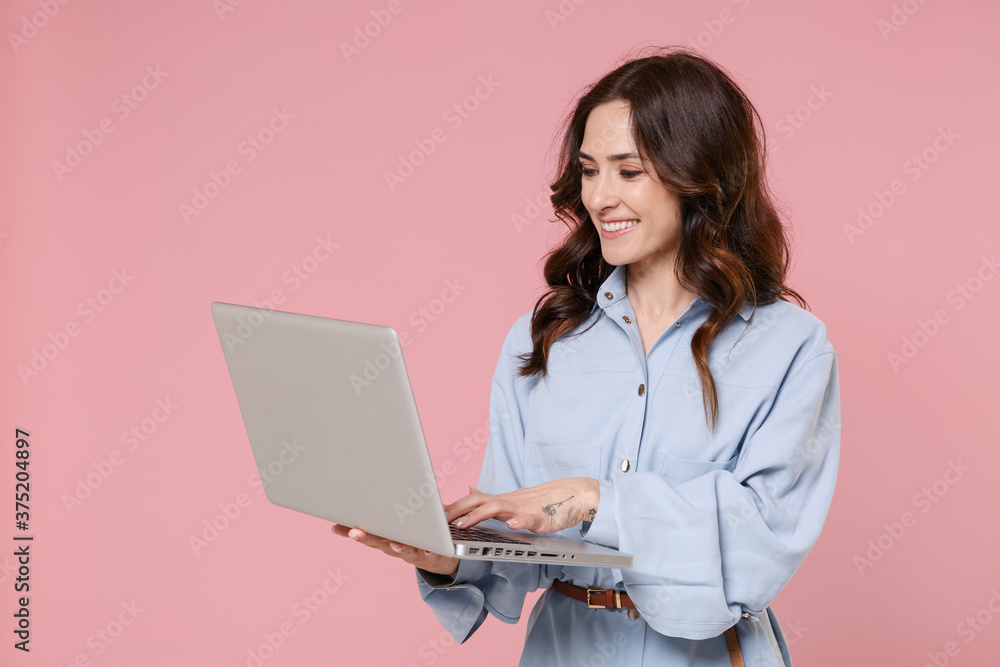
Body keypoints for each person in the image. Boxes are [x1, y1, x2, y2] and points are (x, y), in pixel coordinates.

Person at [333, 46, 841, 666]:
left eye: (629, 172)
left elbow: (761, 538)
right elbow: (514, 537)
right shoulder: (542, 340)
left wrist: (595, 498)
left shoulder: (789, 346)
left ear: (701, 178)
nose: (600, 197)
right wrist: (445, 557)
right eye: (589, 170)